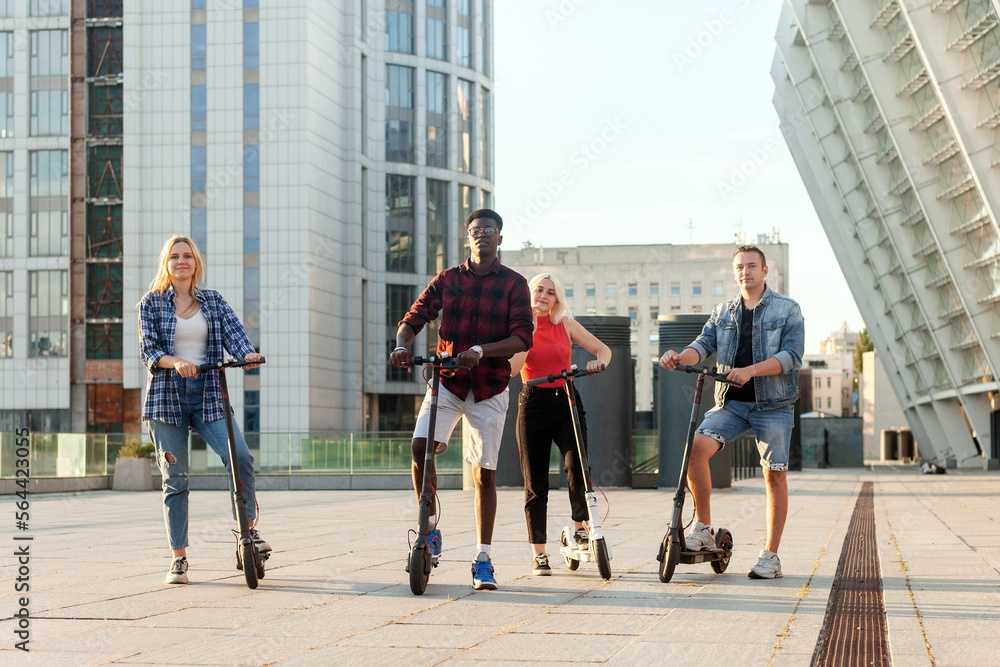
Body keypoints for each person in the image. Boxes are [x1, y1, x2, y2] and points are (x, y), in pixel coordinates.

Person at [390, 209, 532, 590]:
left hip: (489, 388)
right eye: (475, 230)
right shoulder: (448, 280)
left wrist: (482, 350)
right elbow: (414, 317)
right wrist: (402, 346)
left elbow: (522, 338)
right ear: (466, 238)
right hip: (448, 382)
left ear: (499, 239)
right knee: (421, 446)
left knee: (483, 474)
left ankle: (483, 557)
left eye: (489, 230)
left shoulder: (515, 285)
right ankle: (430, 528)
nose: (482, 235)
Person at [658, 245, 803, 579]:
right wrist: (679, 357)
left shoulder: (787, 309)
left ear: (765, 271)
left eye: (752, 266)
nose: (745, 272)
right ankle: (704, 527)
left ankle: (771, 556)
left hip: (774, 405)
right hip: (732, 404)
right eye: (740, 267)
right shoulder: (723, 311)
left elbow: (792, 357)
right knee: (694, 449)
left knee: (774, 474)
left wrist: (750, 370)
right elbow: (702, 346)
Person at [138, 235, 269, 585]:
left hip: (209, 393)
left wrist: (248, 355)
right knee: (176, 480)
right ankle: (178, 557)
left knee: (240, 458)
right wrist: (177, 361)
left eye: (187, 256)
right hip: (166, 399)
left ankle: (248, 532)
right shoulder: (151, 304)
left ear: (196, 262)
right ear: (166, 264)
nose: (181, 261)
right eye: (174, 257)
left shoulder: (213, 301)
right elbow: (149, 351)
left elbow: (237, 336)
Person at [509, 272, 611, 576]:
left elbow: (603, 349)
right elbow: (514, 369)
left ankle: (580, 528)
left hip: (566, 399)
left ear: (557, 299)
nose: (543, 295)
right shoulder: (518, 329)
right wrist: (526, 331)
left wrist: (599, 362)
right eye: (538, 290)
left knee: (577, 467)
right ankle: (539, 553)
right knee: (535, 481)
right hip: (533, 402)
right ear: (529, 294)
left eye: (550, 292)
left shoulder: (564, 323)